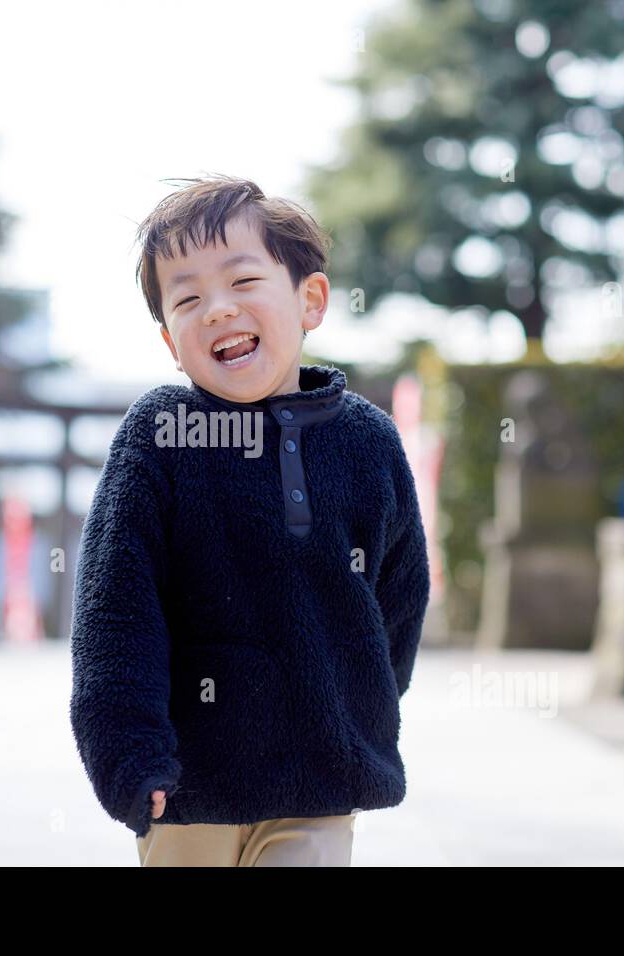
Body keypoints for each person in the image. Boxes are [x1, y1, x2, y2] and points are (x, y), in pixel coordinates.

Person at [68, 174, 430, 866]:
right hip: (187, 787)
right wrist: (130, 753)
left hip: (320, 778)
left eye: (241, 281)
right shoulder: (159, 437)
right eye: (189, 298)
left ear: (310, 299)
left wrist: (360, 710)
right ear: (172, 343)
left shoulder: (367, 442)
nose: (217, 310)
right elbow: (116, 613)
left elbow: (399, 596)